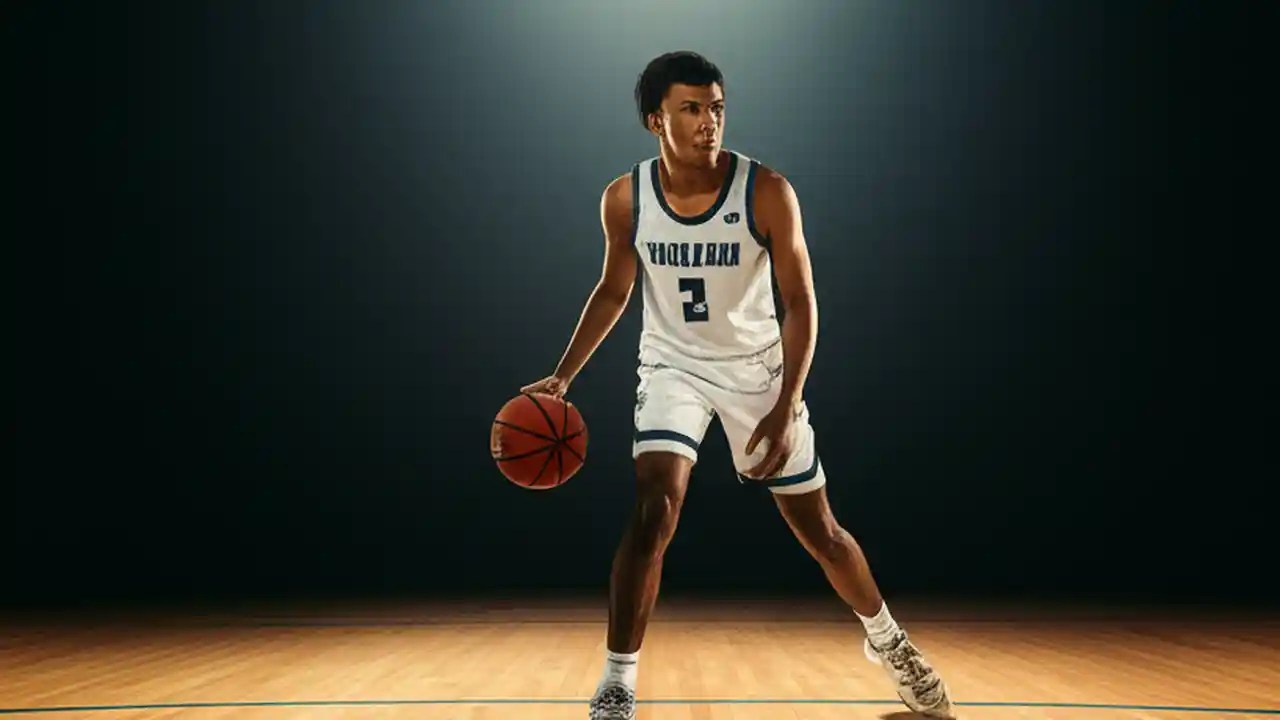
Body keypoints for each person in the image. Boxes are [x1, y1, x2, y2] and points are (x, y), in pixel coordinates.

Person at [521, 51, 954, 720]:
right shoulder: (625, 198)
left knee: (822, 533)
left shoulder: (766, 191)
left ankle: (888, 641)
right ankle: (618, 681)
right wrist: (564, 373)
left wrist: (785, 408)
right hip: (672, 366)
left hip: (758, 369)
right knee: (653, 510)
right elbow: (614, 289)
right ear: (654, 120)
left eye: (716, 107)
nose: (708, 122)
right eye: (691, 109)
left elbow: (801, 303)